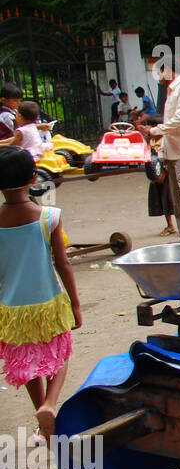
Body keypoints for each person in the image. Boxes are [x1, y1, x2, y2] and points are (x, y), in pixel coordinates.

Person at [0, 146, 80, 442]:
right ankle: (50, 405)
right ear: (34, 177)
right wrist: (76, 304)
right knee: (59, 355)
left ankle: (43, 422)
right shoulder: (49, 217)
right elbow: (63, 263)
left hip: (11, 308)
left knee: (28, 364)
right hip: (48, 302)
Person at [138, 63, 180, 241]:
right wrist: (162, 153)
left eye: (159, 73)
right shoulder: (171, 91)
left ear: (167, 70)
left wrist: (154, 130)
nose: (158, 78)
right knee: (177, 200)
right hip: (173, 152)